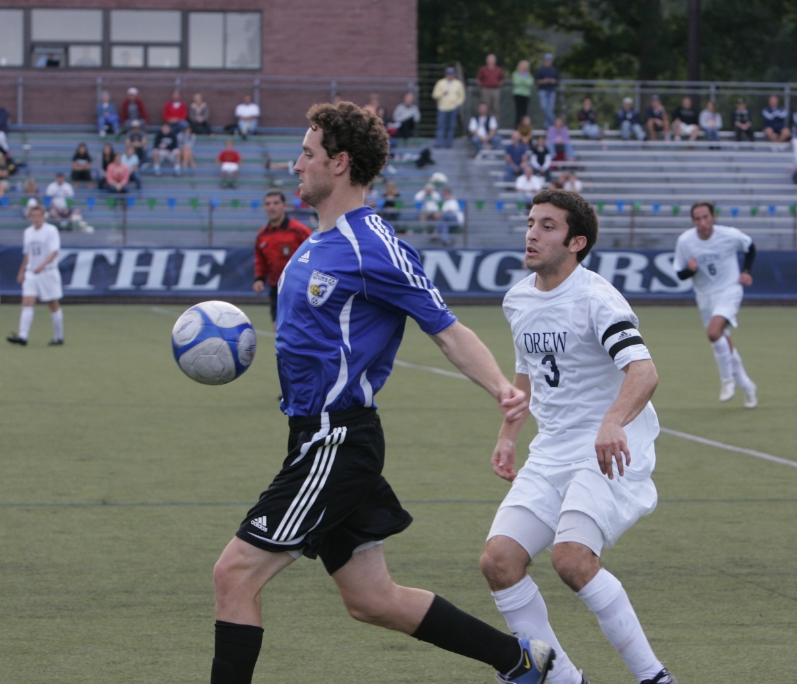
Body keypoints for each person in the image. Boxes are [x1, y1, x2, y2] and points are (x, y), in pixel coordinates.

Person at [208, 99, 554, 684]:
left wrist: (500, 386)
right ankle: (520, 661)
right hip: (314, 437)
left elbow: (446, 329)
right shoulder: (316, 240)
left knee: (234, 574)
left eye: (307, 154)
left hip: (337, 439)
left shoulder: (374, 244)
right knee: (372, 599)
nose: (296, 165)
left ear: (340, 163)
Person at [480, 188, 678, 684]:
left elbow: (644, 371)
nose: (532, 233)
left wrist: (612, 422)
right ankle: (564, 680)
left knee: (571, 559)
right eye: (531, 222)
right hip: (551, 449)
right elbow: (528, 373)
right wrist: (509, 433)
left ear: (576, 242)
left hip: (609, 446)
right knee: (499, 561)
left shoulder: (596, 298)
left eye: (548, 226)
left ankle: (654, 678)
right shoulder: (518, 298)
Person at [672, 201, 758, 407]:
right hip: (705, 297)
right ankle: (747, 386)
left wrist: (746, 271)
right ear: (693, 221)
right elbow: (680, 272)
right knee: (722, 339)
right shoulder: (685, 241)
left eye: (705, 217)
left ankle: (727, 380)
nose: (702, 222)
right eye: (698, 219)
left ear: (713, 217)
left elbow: (750, 246)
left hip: (730, 290)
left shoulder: (728, 235)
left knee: (713, 333)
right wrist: (690, 270)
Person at [253, 190, 312, 329]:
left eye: (275, 203)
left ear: (284, 206)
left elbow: (316, 252)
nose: (271, 207)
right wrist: (259, 279)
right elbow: (260, 261)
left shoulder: (299, 230)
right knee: (278, 328)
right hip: (276, 289)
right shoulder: (262, 235)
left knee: (300, 328)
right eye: (268, 204)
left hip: (299, 288)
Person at [7, 204, 64, 347]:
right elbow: (28, 254)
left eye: (39, 215)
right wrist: (21, 271)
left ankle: (59, 336)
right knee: (27, 301)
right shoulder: (28, 232)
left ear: (43, 216)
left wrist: (42, 265)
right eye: (34, 216)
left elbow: (54, 252)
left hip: (48, 272)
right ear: (30, 217)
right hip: (32, 273)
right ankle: (23, 336)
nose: (36, 218)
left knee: (53, 304)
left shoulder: (51, 230)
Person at [432, 67, 465, 149]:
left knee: (451, 126)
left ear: (454, 74)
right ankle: (439, 143)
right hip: (442, 107)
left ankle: (448, 144)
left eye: (452, 73)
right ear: (446, 74)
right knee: (441, 126)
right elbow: (434, 95)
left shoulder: (458, 84)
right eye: (449, 73)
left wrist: (457, 103)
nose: (450, 75)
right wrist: (442, 93)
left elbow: (462, 96)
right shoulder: (440, 83)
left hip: (453, 108)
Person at [477, 54, 505, 119]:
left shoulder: (498, 69)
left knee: (495, 107)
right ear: (487, 60)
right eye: (489, 59)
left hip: (495, 90)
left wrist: (499, 84)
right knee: (485, 107)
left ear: (495, 61)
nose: (491, 61)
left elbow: (502, 79)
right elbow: (478, 79)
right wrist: (482, 86)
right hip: (486, 90)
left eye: (492, 59)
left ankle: (495, 125)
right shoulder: (483, 69)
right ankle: (485, 123)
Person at [536, 54, 559, 128]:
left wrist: (553, 81)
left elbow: (557, 80)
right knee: (544, 107)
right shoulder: (541, 69)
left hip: (552, 90)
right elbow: (537, 81)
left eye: (550, 60)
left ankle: (547, 126)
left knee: (550, 109)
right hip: (543, 90)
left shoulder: (554, 69)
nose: (548, 61)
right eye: (547, 60)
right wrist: (544, 81)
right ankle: (555, 121)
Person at [512, 60, 534, 125]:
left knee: (525, 112)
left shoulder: (529, 75)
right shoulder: (515, 74)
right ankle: (517, 126)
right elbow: (516, 82)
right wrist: (525, 80)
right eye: (522, 66)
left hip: (526, 95)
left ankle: (524, 126)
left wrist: (522, 80)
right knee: (518, 111)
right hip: (517, 94)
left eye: (525, 66)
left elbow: (530, 83)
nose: (523, 67)